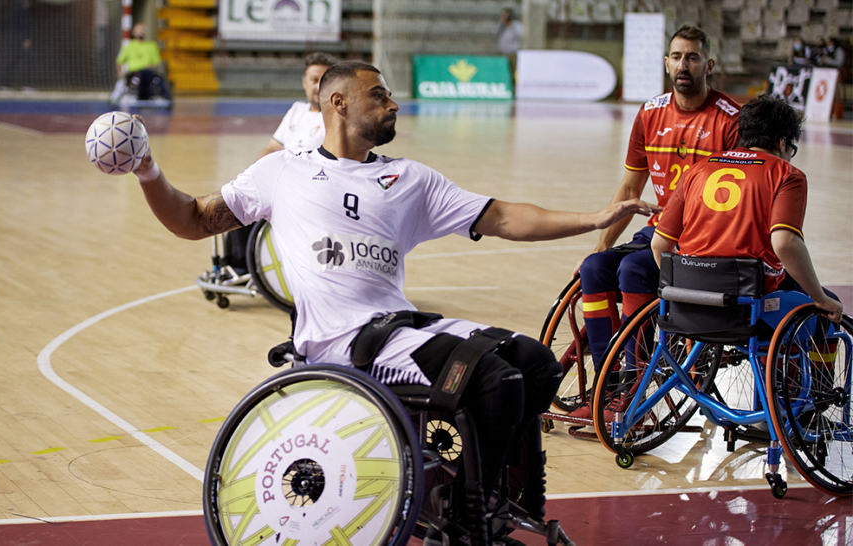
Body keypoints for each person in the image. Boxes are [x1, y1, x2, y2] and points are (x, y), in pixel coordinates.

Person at [130, 61, 658, 540]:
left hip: (398, 328)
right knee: (496, 380)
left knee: (537, 364)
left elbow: (501, 217)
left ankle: (503, 498)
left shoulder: (408, 178)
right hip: (340, 342)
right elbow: (193, 219)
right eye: (379, 94)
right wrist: (147, 169)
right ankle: (467, 523)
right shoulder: (282, 171)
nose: (393, 104)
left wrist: (593, 219)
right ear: (338, 103)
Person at [572, 25, 742, 419]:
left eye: (693, 57)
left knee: (634, 268)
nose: (685, 65)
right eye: (678, 57)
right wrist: (602, 243)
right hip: (662, 229)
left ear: (709, 64)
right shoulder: (650, 113)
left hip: (704, 237)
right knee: (594, 269)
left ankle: (635, 384)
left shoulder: (729, 121)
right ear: (667, 63)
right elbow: (632, 183)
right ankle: (608, 383)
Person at [651, 95, 842, 323]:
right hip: (748, 297)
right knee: (828, 312)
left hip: (690, 293)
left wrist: (683, 288)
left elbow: (659, 244)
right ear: (783, 143)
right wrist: (819, 297)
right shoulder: (786, 174)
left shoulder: (697, 169)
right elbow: (785, 243)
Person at [225, 52, 337, 273]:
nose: (318, 86)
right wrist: (255, 174)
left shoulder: (336, 117)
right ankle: (234, 265)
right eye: (314, 80)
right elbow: (272, 147)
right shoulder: (296, 110)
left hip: (307, 187)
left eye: (324, 80)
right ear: (304, 82)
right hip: (281, 181)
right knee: (235, 202)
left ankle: (246, 269)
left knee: (253, 211)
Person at [115, 23, 165, 102]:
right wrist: (120, 72)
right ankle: (140, 96)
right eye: (138, 29)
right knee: (140, 76)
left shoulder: (152, 45)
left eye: (142, 29)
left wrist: (147, 67)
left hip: (148, 72)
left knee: (158, 78)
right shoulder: (128, 46)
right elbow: (119, 61)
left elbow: (156, 62)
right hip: (134, 72)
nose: (140, 31)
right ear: (134, 32)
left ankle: (164, 98)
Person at [496, 8, 522, 86]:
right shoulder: (501, 25)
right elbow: (495, 32)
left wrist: (511, 25)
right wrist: (502, 23)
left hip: (512, 52)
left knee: (512, 72)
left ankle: (513, 90)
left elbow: (519, 35)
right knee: (500, 71)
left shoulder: (516, 25)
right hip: (501, 51)